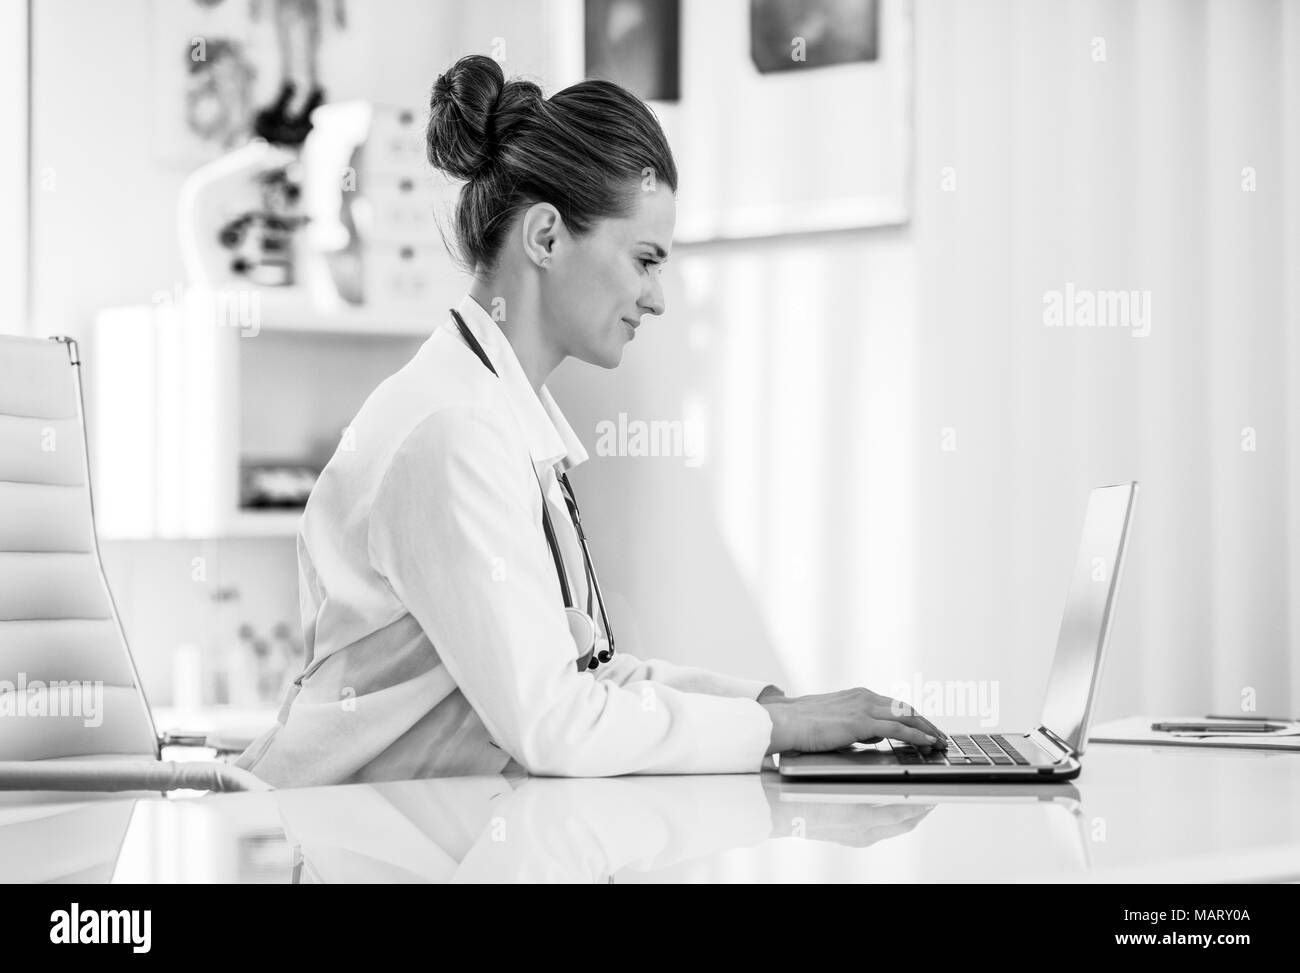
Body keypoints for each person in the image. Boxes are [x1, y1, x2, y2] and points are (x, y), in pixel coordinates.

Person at [234, 54, 947, 788]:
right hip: (357, 848)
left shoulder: (496, 414)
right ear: (544, 237)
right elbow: (559, 725)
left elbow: (588, 674)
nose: (658, 297)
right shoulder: (452, 433)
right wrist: (778, 728)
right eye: (644, 259)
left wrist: (773, 708)